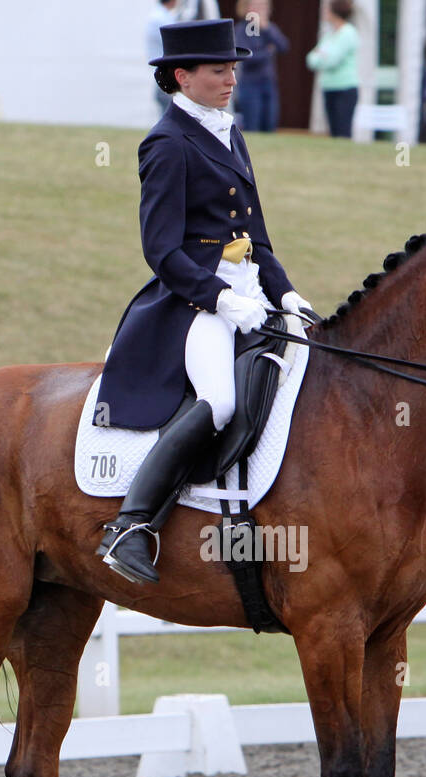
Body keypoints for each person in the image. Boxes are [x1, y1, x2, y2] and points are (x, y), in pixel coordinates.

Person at [94, 19, 314, 585]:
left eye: (233, 67)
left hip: (250, 295)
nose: (231, 78)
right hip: (191, 304)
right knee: (218, 401)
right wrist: (220, 299)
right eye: (219, 69)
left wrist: (283, 289)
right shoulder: (166, 142)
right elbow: (161, 250)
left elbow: (255, 234)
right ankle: (131, 525)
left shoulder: (229, 132)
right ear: (182, 76)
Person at [233, 0, 290, 133]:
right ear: (246, 8)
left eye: (263, 6)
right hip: (249, 83)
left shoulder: (268, 28)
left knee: (270, 124)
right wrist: (268, 51)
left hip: (268, 82)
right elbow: (247, 56)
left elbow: (284, 46)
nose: (259, 9)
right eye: (255, 5)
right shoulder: (242, 29)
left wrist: (267, 29)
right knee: (252, 125)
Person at [307, 0, 359, 138]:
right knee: (334, 132)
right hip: (329, 87)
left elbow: (332, 60)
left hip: (345, 88)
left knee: (343, 130)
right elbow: (311, 59)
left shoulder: (348, 33)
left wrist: (321, 56)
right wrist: (321, 57)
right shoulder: (330, 35)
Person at [146, 0, 182, 117]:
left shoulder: (159, 16)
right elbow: (176, 43)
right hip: (166, 73)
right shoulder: (162, 19)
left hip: (162, 73)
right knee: (170, 116)